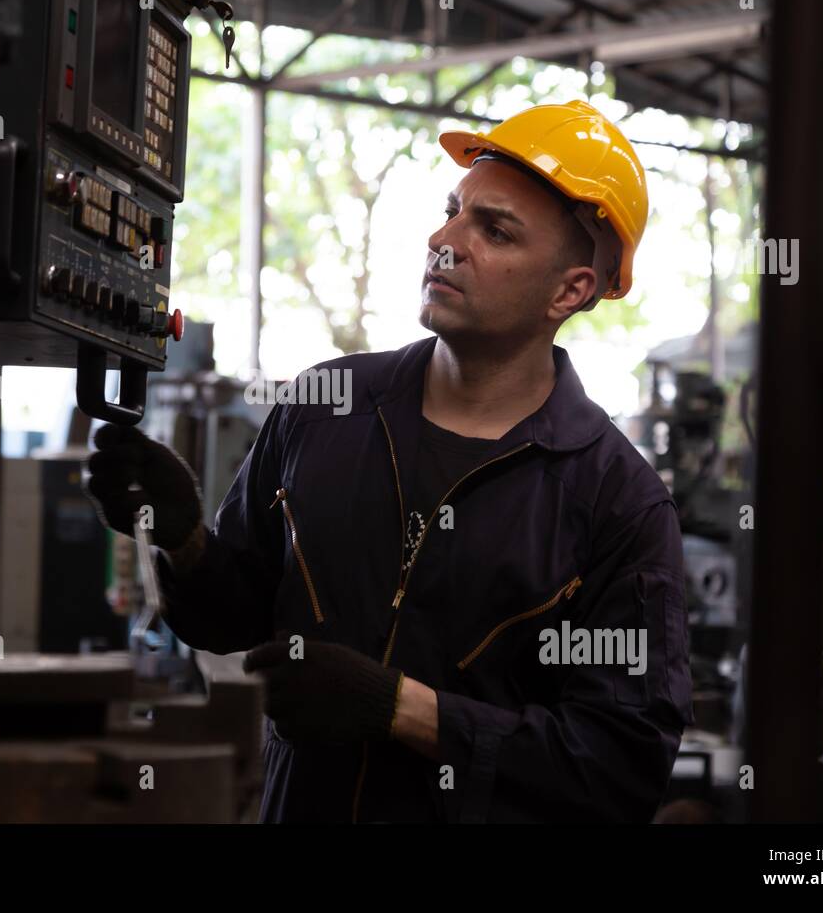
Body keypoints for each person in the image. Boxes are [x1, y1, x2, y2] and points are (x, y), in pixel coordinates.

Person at [87, 100, 694, 822]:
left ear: (570, 290)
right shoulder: (325, 406)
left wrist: (405, 710)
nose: (445, 241)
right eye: (453, 211)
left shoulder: (616, 503)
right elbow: (238, 623)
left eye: (493, 230)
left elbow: (620, 765)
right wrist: (185, 540)